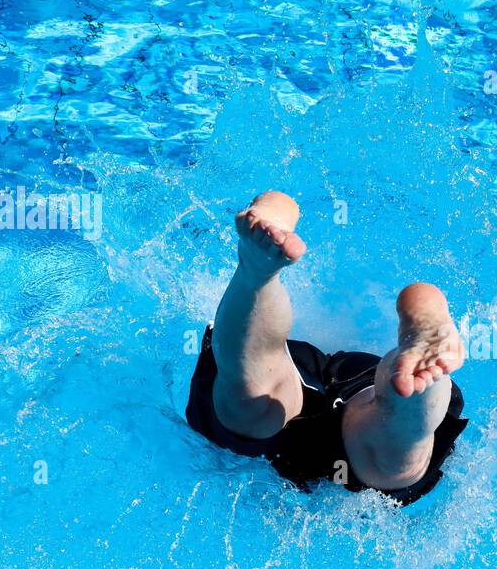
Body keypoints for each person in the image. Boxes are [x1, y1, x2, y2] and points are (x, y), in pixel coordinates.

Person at [185, 191, 468, 506]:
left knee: (251, 403)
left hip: (305, 392)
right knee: (389, 455)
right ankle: (421, 344)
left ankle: (256, 271)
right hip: (354, 382)